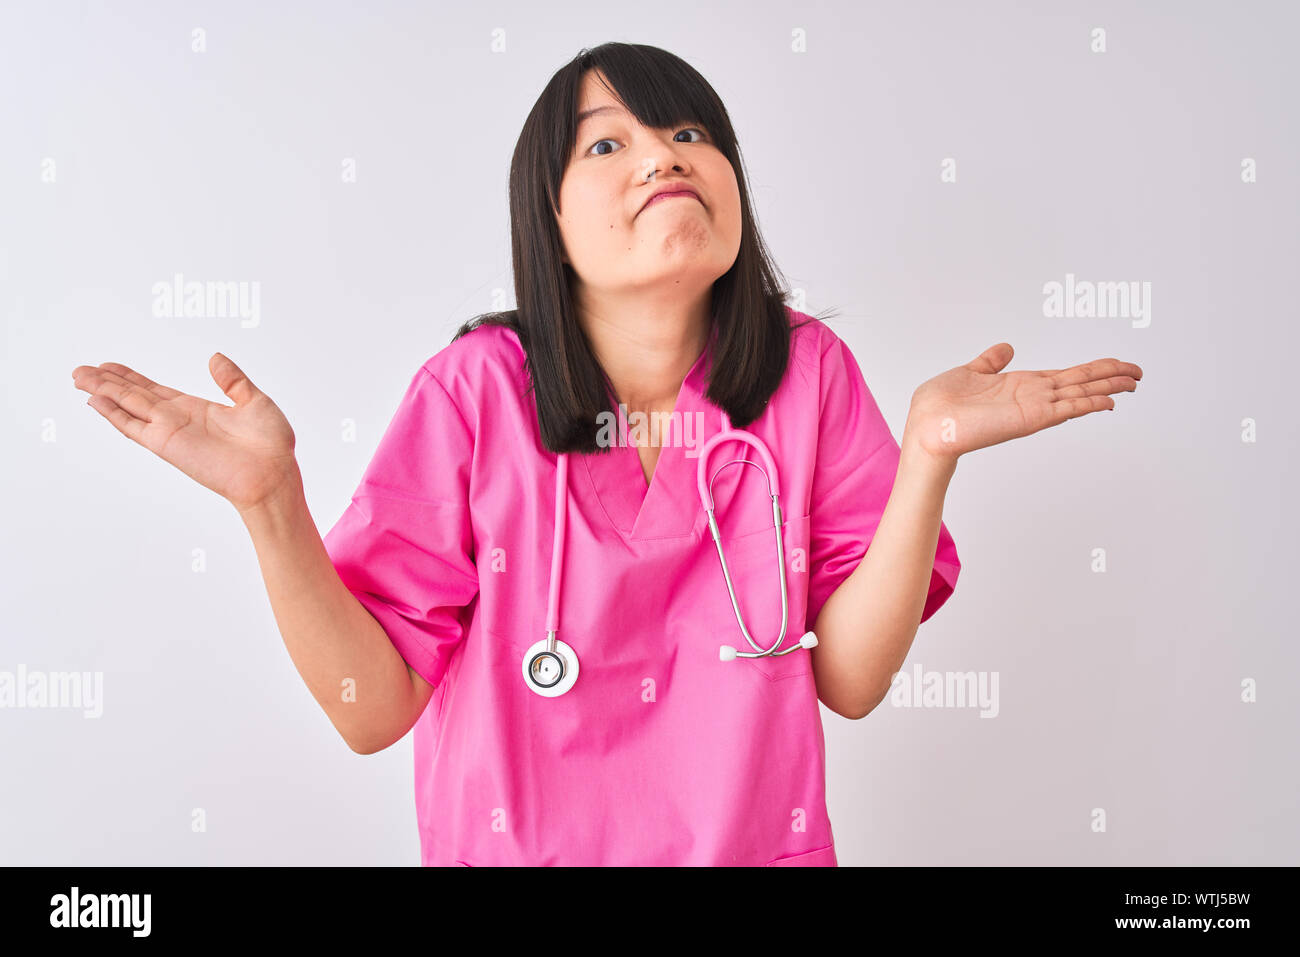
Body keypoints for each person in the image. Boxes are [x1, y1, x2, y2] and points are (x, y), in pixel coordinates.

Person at [69, 42, 1142, 866]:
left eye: (689, 133)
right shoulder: (475, 393)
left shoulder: (808, 375)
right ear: (548, 215)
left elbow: (852, 681)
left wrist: (929, 455)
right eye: (607, 145)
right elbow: (370, 709)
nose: (663, 156)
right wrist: (270, 503)